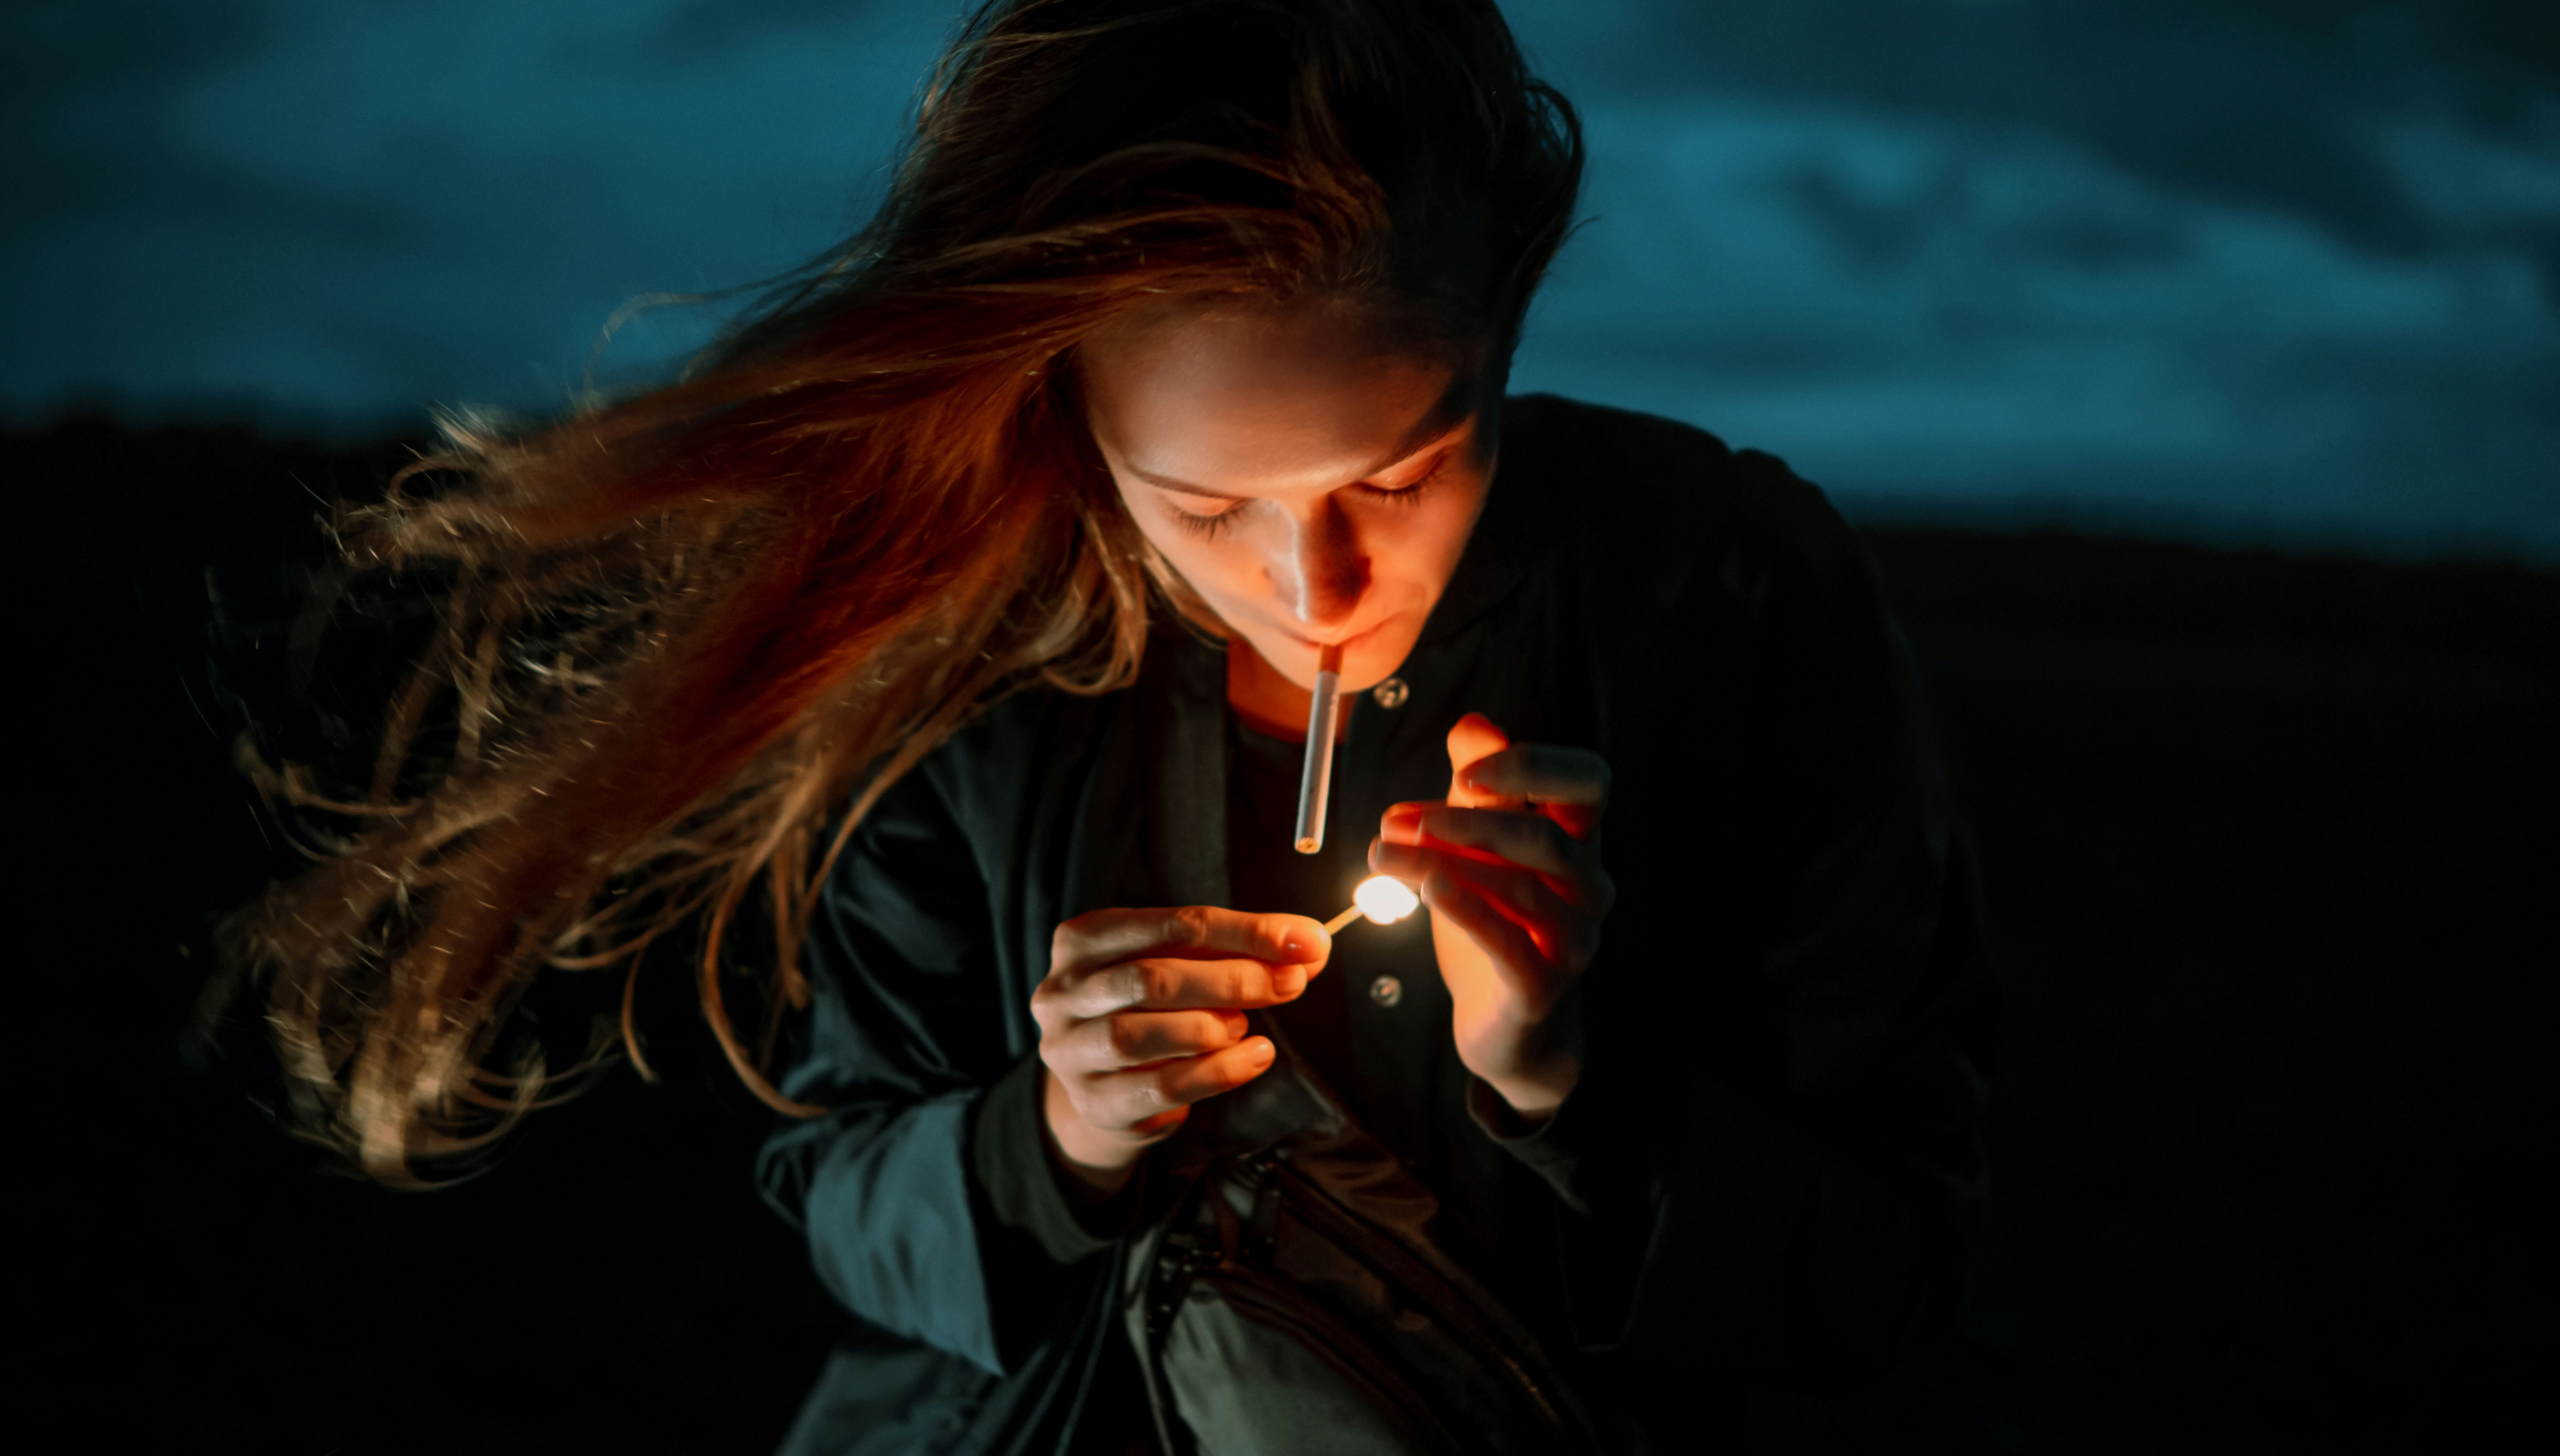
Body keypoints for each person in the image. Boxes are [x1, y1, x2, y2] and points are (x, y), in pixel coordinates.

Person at [225, 1, 1989, 1451]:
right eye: (1206, 508)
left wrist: (1563, 1079)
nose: (1317, 582)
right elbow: (840, 1195)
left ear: (1505, 330)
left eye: (1403, 471)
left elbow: (1888, 1275)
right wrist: (1054, 1132)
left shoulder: (1735, 590)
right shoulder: (962, 652)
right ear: (1073, 419)